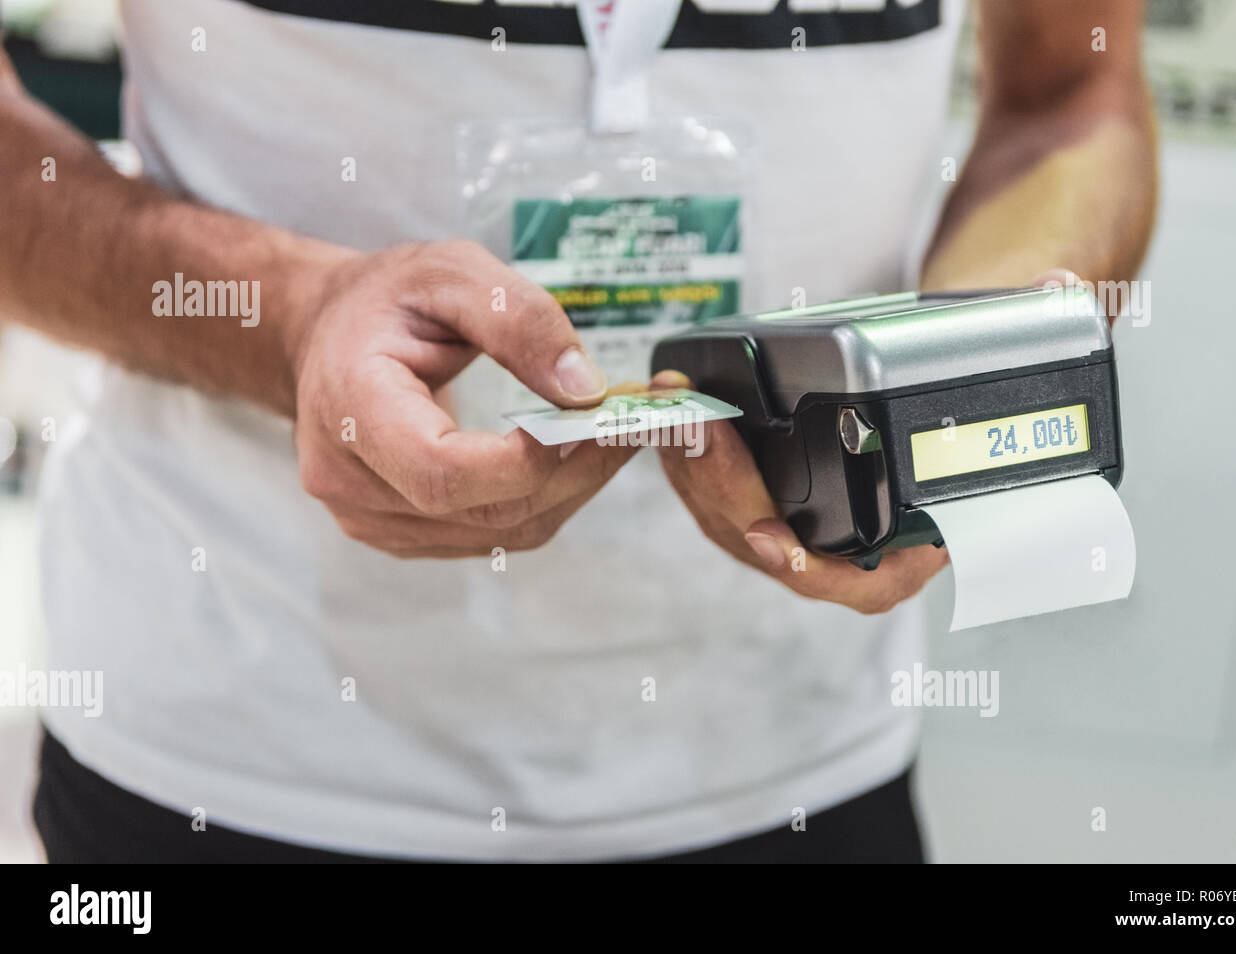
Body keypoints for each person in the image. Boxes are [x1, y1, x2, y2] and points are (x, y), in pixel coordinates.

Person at [0, 0, 1155, 863]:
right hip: (231, 765)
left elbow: (1072, 95)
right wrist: (288, 322)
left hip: (796, 766)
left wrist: (951, 385)